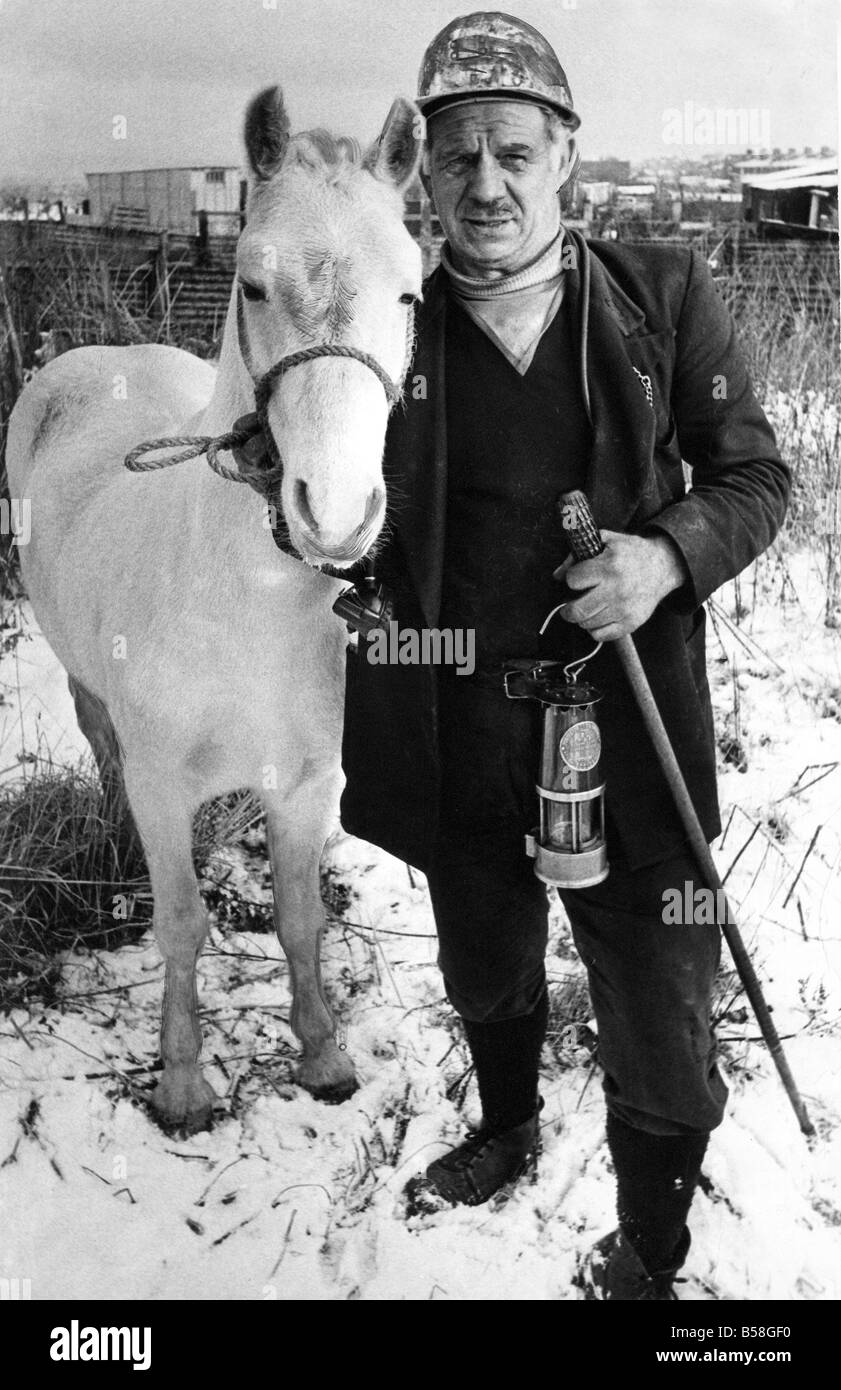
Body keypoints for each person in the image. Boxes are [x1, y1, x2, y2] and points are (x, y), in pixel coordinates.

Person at [339, 11, 790, 1300]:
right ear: (425, 172)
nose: (487, 183)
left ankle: (651, 1245)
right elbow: (323, 489)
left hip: (629, 726)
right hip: (455, 717)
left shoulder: (659, 296)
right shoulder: (391, 319)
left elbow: (757, 477)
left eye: (516, 153)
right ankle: (506, 1126)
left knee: (659, 984)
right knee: (482, 948)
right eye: (460, 154)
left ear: (567, 162)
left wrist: (664, 556)